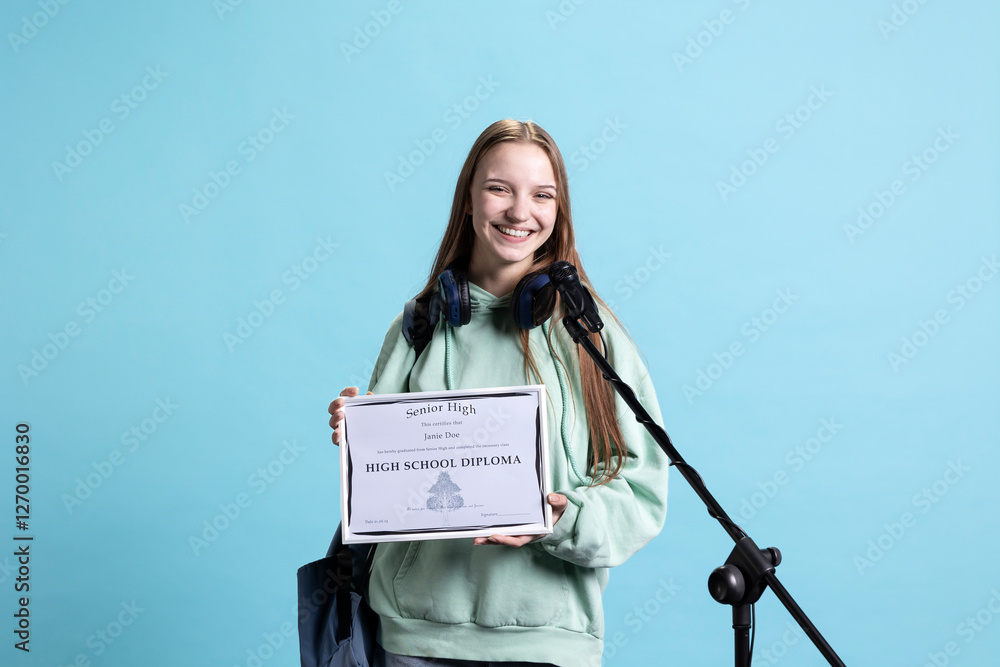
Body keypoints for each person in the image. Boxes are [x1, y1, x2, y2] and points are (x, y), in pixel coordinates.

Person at [328, 119, 670, 667]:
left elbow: (644, 493)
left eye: (542, 194)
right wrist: (359, 433)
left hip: (548, 641)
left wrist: (561, 517)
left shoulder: (589, 333)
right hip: (415, 638)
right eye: (499, 189)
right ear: (469, 199)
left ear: (559, 212)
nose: (519, 212)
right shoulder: (418, 325)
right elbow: (382, 485)